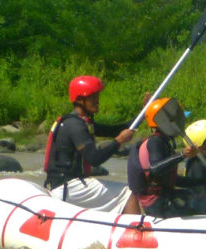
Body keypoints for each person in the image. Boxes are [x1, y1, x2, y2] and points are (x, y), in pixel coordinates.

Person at [42, 74, 137, 210]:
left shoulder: (81, 122)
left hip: (67, 185)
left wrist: (145, 112)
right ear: (80, 100)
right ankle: (137, 229)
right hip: (69, 187)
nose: (97, 100)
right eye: (93, 97)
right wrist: (119, 141)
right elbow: (94, 159)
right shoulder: (76, 125)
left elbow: (115, 129)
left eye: (97, 96)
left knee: (121, 192)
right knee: (129, 193)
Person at [124, 97, 206, 217]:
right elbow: (155, 168)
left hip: (166, 196)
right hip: (157, 203)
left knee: (201, 197)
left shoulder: (164, 142)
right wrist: (182, 155)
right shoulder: (155, 141)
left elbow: (173, 179)